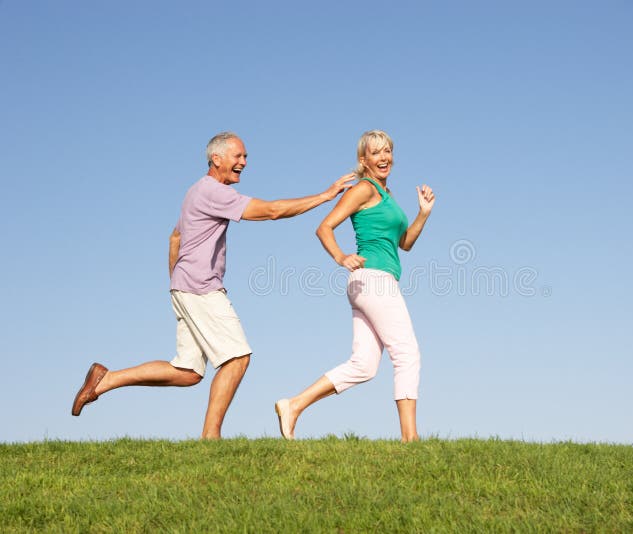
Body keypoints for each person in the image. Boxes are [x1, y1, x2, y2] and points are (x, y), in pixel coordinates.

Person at [71, 131, 354, 439]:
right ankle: (211, 437)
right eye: (238, 156)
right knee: (237, 357)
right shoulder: (212, 192)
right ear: (216, 159)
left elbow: (174, 237)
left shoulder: (194, 192)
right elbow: (272, 211)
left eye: (245, 157)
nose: (244, 162)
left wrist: (177, 284)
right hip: (200, 287)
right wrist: (325, 196)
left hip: (186, 287)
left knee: (188, 371)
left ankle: (106, 379)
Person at [275, 129, 435, 442]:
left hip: (371, 282)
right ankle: (410, 439)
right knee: (407, 353)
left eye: (387, 151)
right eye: (376, 152)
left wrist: (423, 214)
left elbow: (405, 243)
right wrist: (340, 256)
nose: (384, 157)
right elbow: (324, 227)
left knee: (364, 365)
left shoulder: (387, 197)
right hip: (373, 279)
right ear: (364, 160)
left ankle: (294, 405)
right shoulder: (365, 188)